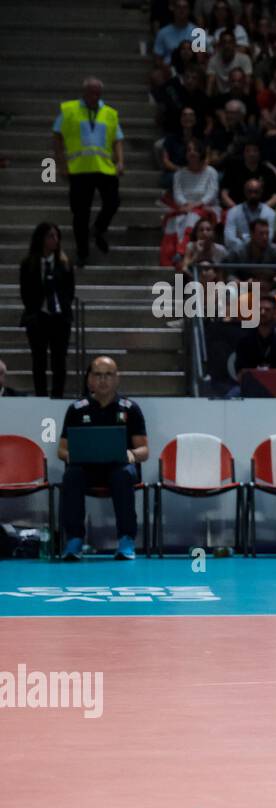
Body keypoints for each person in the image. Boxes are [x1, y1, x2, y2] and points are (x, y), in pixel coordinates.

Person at [57, 357, 148, 560]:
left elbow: (144, 450)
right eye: (98, 375)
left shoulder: (130, 408)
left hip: (118, 468)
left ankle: (126, 540)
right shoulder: (77, 409)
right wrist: (72, 454)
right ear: (89, 379)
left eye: (108, 375)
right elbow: (61, 451)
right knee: (72, 476)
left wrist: (132, 453)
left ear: (117, 379)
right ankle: (74, 540)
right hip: (87, 469)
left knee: (124, 474)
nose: (103, 380)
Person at [54, 78, 125, 267]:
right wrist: (60, 164)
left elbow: (118, 138)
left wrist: (120, 161)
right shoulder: (68, 110)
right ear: (84, 92)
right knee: (80, 214)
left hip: (104, 167)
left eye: (97, 92)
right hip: (79, 168)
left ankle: (99, 228)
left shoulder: (109, 113)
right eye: (91, 92)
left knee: (113, 201)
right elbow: (57, 136)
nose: (95, 96)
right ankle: (82, 252)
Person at [19, 223, 76, 398]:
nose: (55, 240)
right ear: (41, 239)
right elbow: (25, 291)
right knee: (39, 361)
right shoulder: (29, 263)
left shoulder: (64, 264)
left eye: (56, 236)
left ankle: (58, 396)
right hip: (39, 317)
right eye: (51, 236)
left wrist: (63, 310)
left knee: (59, 361)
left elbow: (69, 291)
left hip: (59, 317)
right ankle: (41, 396)